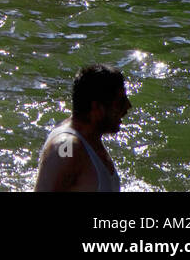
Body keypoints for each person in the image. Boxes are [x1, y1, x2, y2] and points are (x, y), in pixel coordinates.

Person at [34, 64, 129, 192]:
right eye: (120, 102)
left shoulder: (90, 138)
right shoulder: (66, 146)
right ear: (96, 108)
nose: (128, 106)